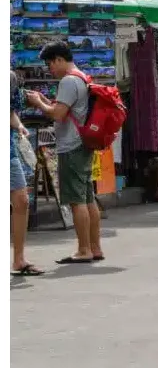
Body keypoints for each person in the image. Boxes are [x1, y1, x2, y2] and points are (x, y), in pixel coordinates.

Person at [25, 42, 104, 264]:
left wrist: (38, 103)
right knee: (88, 198)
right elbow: (67, 110)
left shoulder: (68, 81)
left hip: (72, 146)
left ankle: (84, 250)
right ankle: (95, 247)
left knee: (77, 201)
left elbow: (58, 114)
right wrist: (45, 101)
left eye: (50, 63)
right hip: (83, 144)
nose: (50, 69)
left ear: (60, 59)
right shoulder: (82, 77)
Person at [10, 72, 43, 276]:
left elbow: (9, 111)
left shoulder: (10, 78)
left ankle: (19, 259)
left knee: (22, 201)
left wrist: (19, 125)